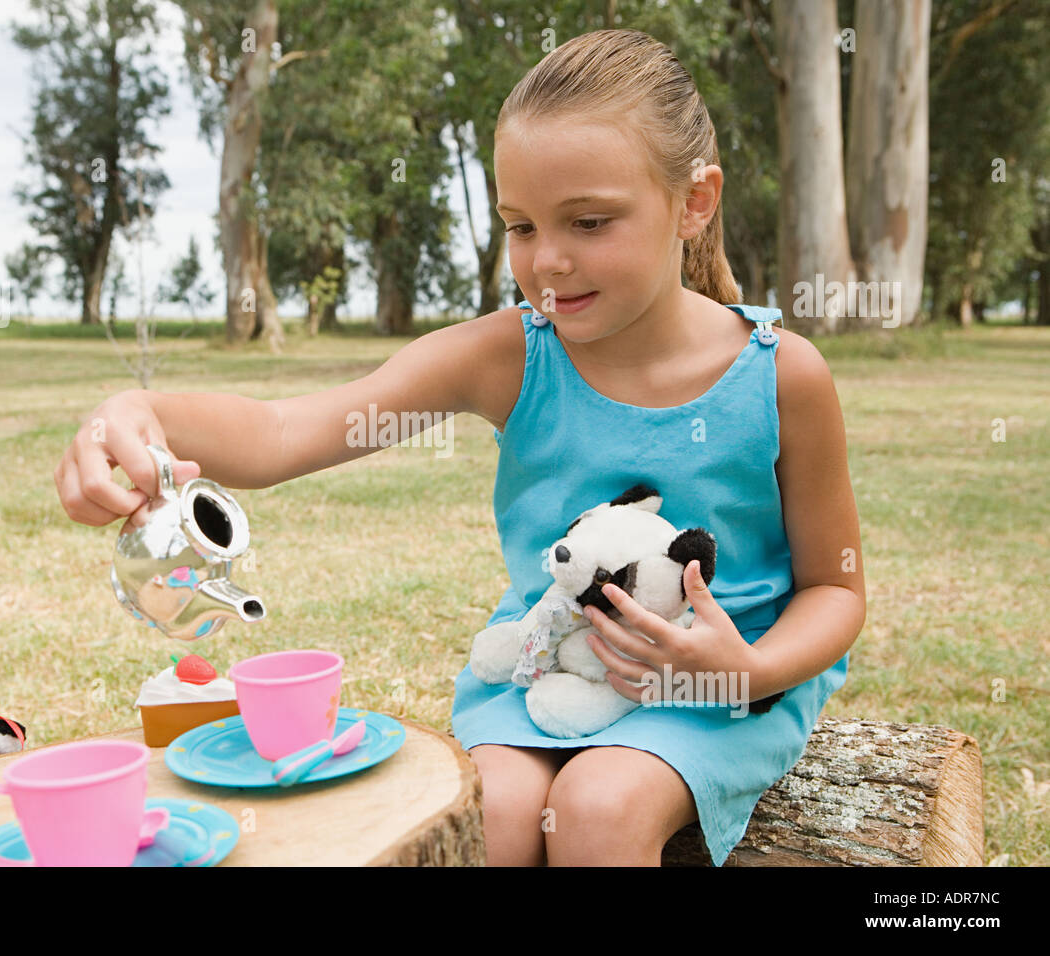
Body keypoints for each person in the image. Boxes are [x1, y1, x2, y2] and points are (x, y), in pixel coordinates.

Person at [54, 28, 865, 867]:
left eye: (589, 222)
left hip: (722, 690)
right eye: (520, 225)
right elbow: (283, 431)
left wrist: (746, 669)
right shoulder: (510, 355)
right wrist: (135, 409)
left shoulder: (781, 377)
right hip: (545, 663)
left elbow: (835, 588)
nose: (548, 260)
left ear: (694, 203)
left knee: (598, 808)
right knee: (498, 814)